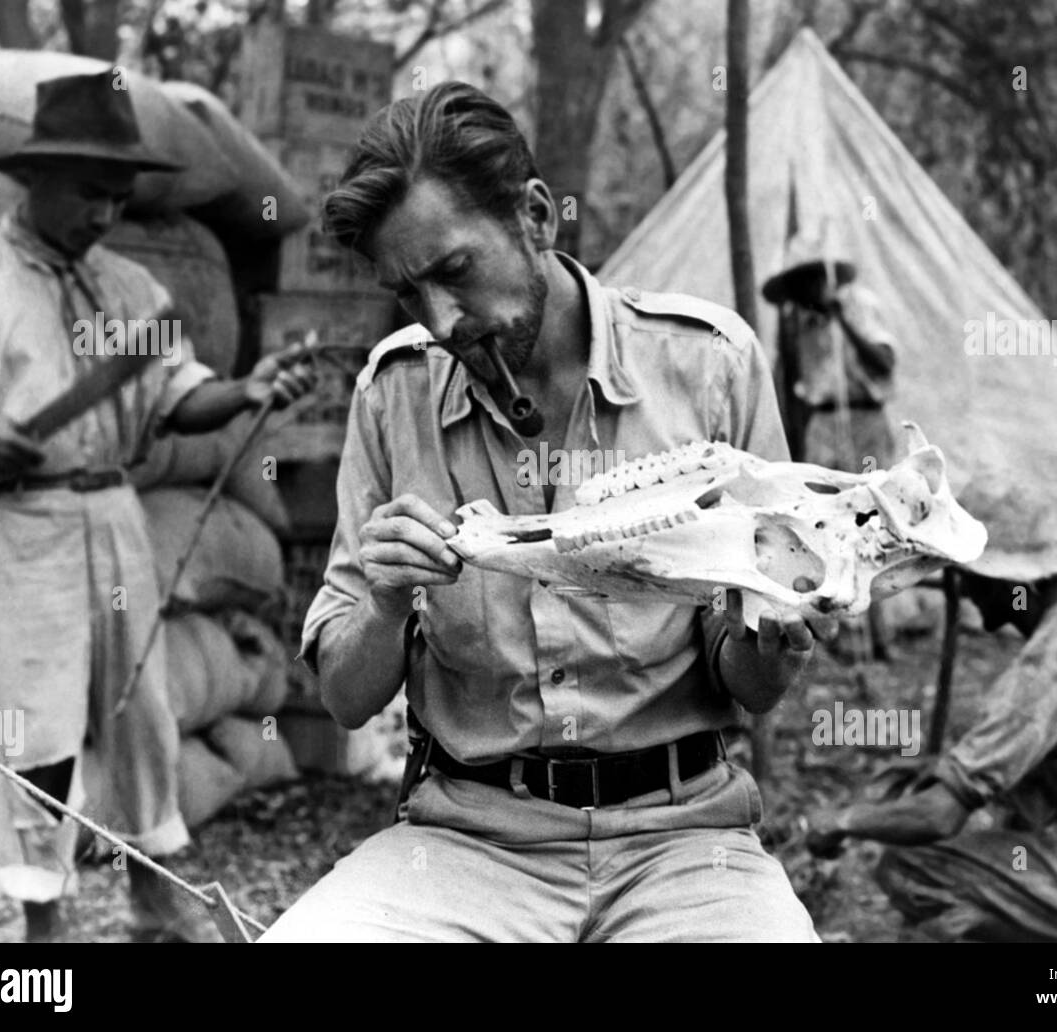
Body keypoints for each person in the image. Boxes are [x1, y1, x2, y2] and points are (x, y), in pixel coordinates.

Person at [260, 81, 833, 943]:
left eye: (454, 272)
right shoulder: (394, 393)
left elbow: (747, 679)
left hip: (684, 845)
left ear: (536, 217)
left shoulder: (709, 367)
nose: (441, 320)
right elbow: (344, 700)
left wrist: (774, 638)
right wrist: (383, 602)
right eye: (408, 294)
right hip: (467, 843)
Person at [0, 72, 314, 942]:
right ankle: (43, 917)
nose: (104, 214)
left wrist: (251, 391)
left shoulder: (132, 292)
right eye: (89, 195)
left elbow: (183, 398)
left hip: (115, 517)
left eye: (118, 197)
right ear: (38, 178)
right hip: (18, 529)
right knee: (35, 727)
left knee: (141, 712)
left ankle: (150, 891)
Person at [805, 552, 1057, 942]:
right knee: (1018, 797)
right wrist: (951, 766)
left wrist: (841, 821)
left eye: (975, 580)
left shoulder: (1048, 666)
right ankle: (1046, 914)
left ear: (1017, 585)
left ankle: (1031, 931)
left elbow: (938, 819)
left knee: (910, 871)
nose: (966, 591)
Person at [762, 238, 897, 660]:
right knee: (826, 527)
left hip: (865, 418)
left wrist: (845, 324)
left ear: (825, 278)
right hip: (822, 423)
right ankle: (836, 631)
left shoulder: (859, 305)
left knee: (873, 523)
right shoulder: (795, 324)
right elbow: (792, 384)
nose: (806, 293)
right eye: (797, 287)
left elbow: (885, 362)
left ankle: (880, 634)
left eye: (810, 282)